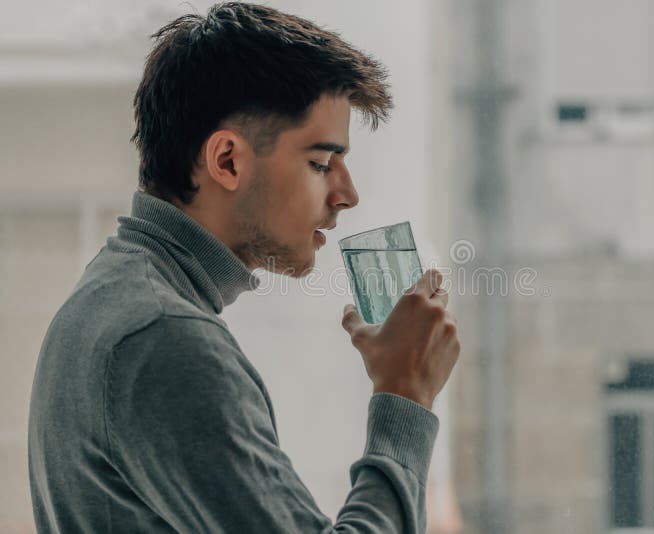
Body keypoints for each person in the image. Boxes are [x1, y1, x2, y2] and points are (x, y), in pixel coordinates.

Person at [27, 3, 460, 533]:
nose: (348, 195)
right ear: (227, 160)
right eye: (320, 164)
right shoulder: (164, 337)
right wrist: (405, 395)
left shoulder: (116, 290)